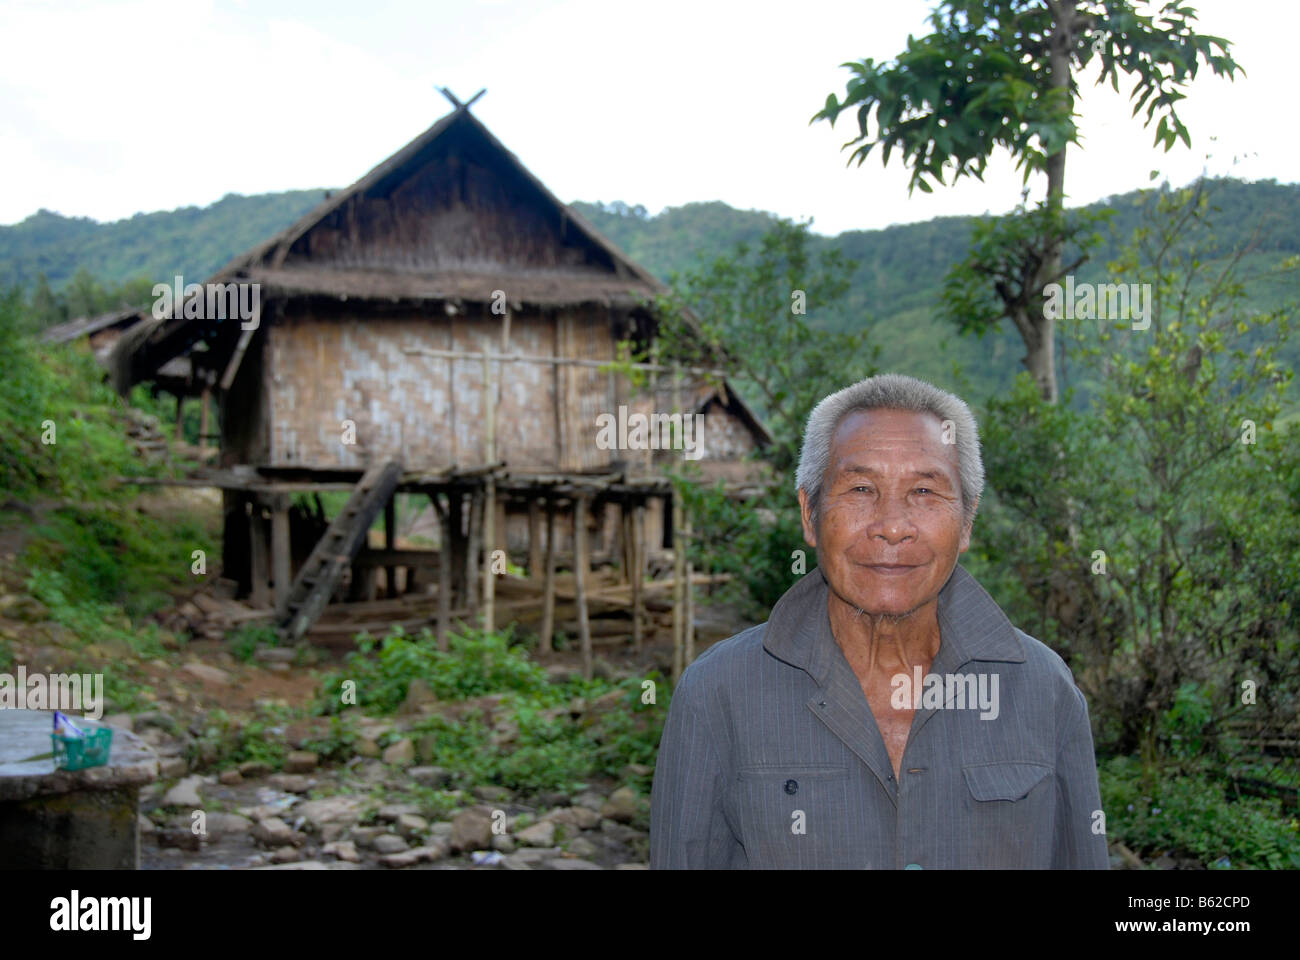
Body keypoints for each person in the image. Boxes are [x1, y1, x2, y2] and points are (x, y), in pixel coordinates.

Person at [649, 373, 1108, 869]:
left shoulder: (1044, 690)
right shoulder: (718, 694)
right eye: (862, 488)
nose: (892, 526)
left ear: (968, 521)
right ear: (810, 514)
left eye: (925, 492)